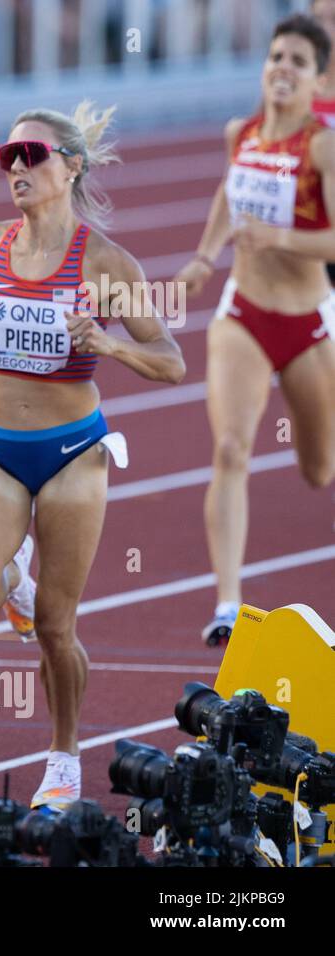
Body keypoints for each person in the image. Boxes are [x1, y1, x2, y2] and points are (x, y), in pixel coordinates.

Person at [0, 102, 185, 807]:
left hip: (72, 456)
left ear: (71, 166)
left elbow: (170, 360)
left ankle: (63, 758)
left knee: (58, 630)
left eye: (33, 157)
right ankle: (14, 582)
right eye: (9, 159)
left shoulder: (105, 262)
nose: (18, 170)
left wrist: (112, 344)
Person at [175, 14, 335, 645]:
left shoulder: (322, 145)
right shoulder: (238, 133)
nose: (284, 69)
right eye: (276, 57)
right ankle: (228, 604)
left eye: (299, 61)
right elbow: (227, 193)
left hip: (309, 322)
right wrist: (204, 256)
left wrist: (283, 238)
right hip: (244, 312)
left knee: (319, 470)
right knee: (230, 449)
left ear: (319, 78)